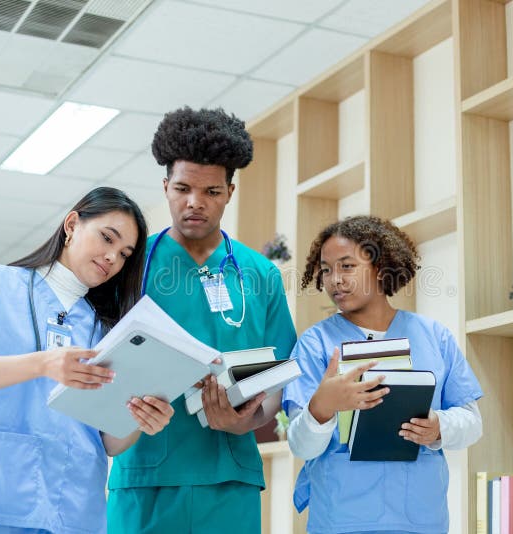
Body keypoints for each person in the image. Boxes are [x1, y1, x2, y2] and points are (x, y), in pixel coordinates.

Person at [0, 187, 174, 534]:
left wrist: (141, 421)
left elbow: (108, 442)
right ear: (72, 225)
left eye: (125, 253)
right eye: (107, 238)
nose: (113, 257)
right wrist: (42, 364)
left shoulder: (107, 329)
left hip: (74, 510)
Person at [107, 107, 297, 533]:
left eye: (211, 191)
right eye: (182, 188)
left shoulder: (260, 275)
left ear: (229, 191)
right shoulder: (129, 266)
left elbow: (275, 380)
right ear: (165, 187)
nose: (195, 202)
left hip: (228, 478)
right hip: (145, 478)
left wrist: (245, 419)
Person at [282, 215, 484, 534]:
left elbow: (472, 423)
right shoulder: (315, 344)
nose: (335, 279)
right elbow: (302, 447)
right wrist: (321, 408)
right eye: (326, 269)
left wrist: (437, 427)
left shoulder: (434, 337)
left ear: (381, 266)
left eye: (347, 266)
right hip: (341, 519)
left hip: (421, 518)